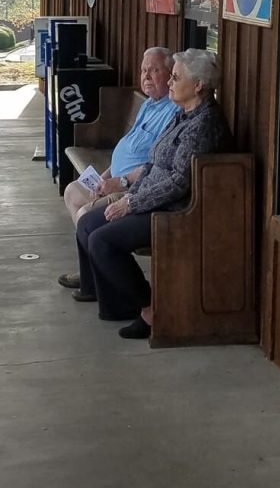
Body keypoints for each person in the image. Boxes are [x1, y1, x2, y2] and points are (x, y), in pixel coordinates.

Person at [73, 48, 232, 339]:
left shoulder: (203, 125)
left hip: (177, 210)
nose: (170, 83)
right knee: (88, 224)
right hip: (153, 197)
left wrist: (131, 202)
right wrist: (126, 188)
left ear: (198, 85)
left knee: (103, 240)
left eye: (175, 77)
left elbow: (178, 183)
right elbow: (155, 163)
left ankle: (151, 309)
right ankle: (118, 305)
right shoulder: (185, 115)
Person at [56, 47, 179, 291]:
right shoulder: (150, 104)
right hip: (114, 178)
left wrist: (119, 182)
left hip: (134, 187)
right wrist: (105, 176)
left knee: (86, 217)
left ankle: (95, 277)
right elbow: (129, 145)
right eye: (144, 70)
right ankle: (94, 270)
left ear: (170, 76)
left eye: (155, 70)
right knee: (72, 191)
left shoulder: (172, 110)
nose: (146, 76)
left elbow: (157, 163)